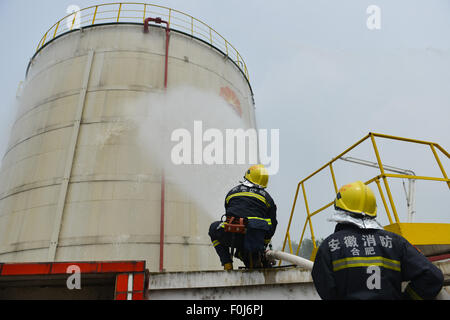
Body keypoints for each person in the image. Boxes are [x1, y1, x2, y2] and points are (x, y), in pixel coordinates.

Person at [311, 181, 444, 300]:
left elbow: (325, 287)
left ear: (339, 208)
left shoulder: (330, 246)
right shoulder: (395, 242)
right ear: (373, 210)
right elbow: (433, 276)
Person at [208, 164, 277, 270]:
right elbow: (272, 224)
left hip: (232, 236)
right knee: (253, 253)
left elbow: (228, 213)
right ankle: (250, 256)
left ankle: (227, 263)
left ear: (248, 176)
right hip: (255, 240)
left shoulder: (232, 192)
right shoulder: (268, 198)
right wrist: (264, 245)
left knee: (213, 228)